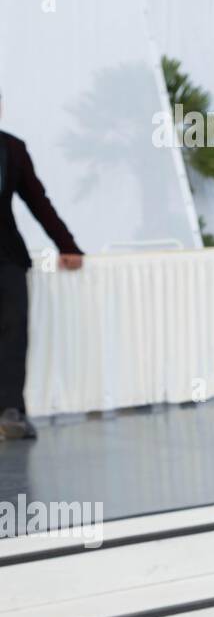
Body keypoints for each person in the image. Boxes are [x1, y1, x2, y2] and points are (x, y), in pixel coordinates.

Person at [0, 89, 84, 441]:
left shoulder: (12, 149)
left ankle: (10, 411)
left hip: (6, 257)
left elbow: (38, 201)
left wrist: (67, 245)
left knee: (13, 331)